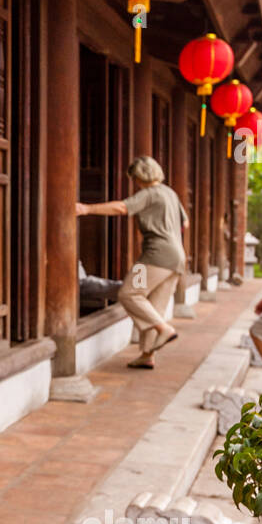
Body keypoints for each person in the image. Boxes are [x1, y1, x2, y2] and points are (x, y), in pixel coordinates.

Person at [76, 155, 188, 369]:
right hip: (177, 256)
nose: (135, 183)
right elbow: (186, 223)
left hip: (156, 254)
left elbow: (122, 208)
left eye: (135, 179)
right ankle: (147, 355)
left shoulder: (149, 194)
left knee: (128, 293)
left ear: (140, 176)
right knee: (153, 305)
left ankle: (164, 329)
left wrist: (86, 209)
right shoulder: (170, 193)